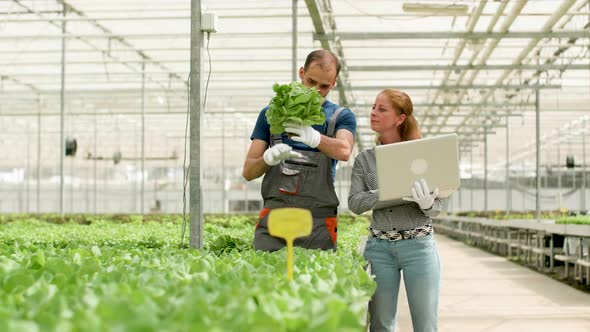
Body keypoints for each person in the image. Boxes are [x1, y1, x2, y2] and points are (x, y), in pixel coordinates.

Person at [348, 89, 444, 332]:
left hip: (419, 246)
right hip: (379, 249)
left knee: (426, 325)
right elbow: (355, 203)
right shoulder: (364, 160)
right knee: (380, 324)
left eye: (381, 109)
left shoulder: (422, 155)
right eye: (373, 107)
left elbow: (439, 208)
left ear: (400, 118)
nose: (373, 113)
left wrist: (427, 204)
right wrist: (386, 192)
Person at [242, 49, 356, 252]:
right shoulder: (272, 113)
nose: (316, 91)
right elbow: (249, 172)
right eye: (311, 81)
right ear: (301, 72)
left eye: (324, 86)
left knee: (318, 280)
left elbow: (344, 150)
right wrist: (267, 159)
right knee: (267, 278)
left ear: (334, 83)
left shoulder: (340, 117)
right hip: (275, 219)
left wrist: (315, 138)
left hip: (318, 222)